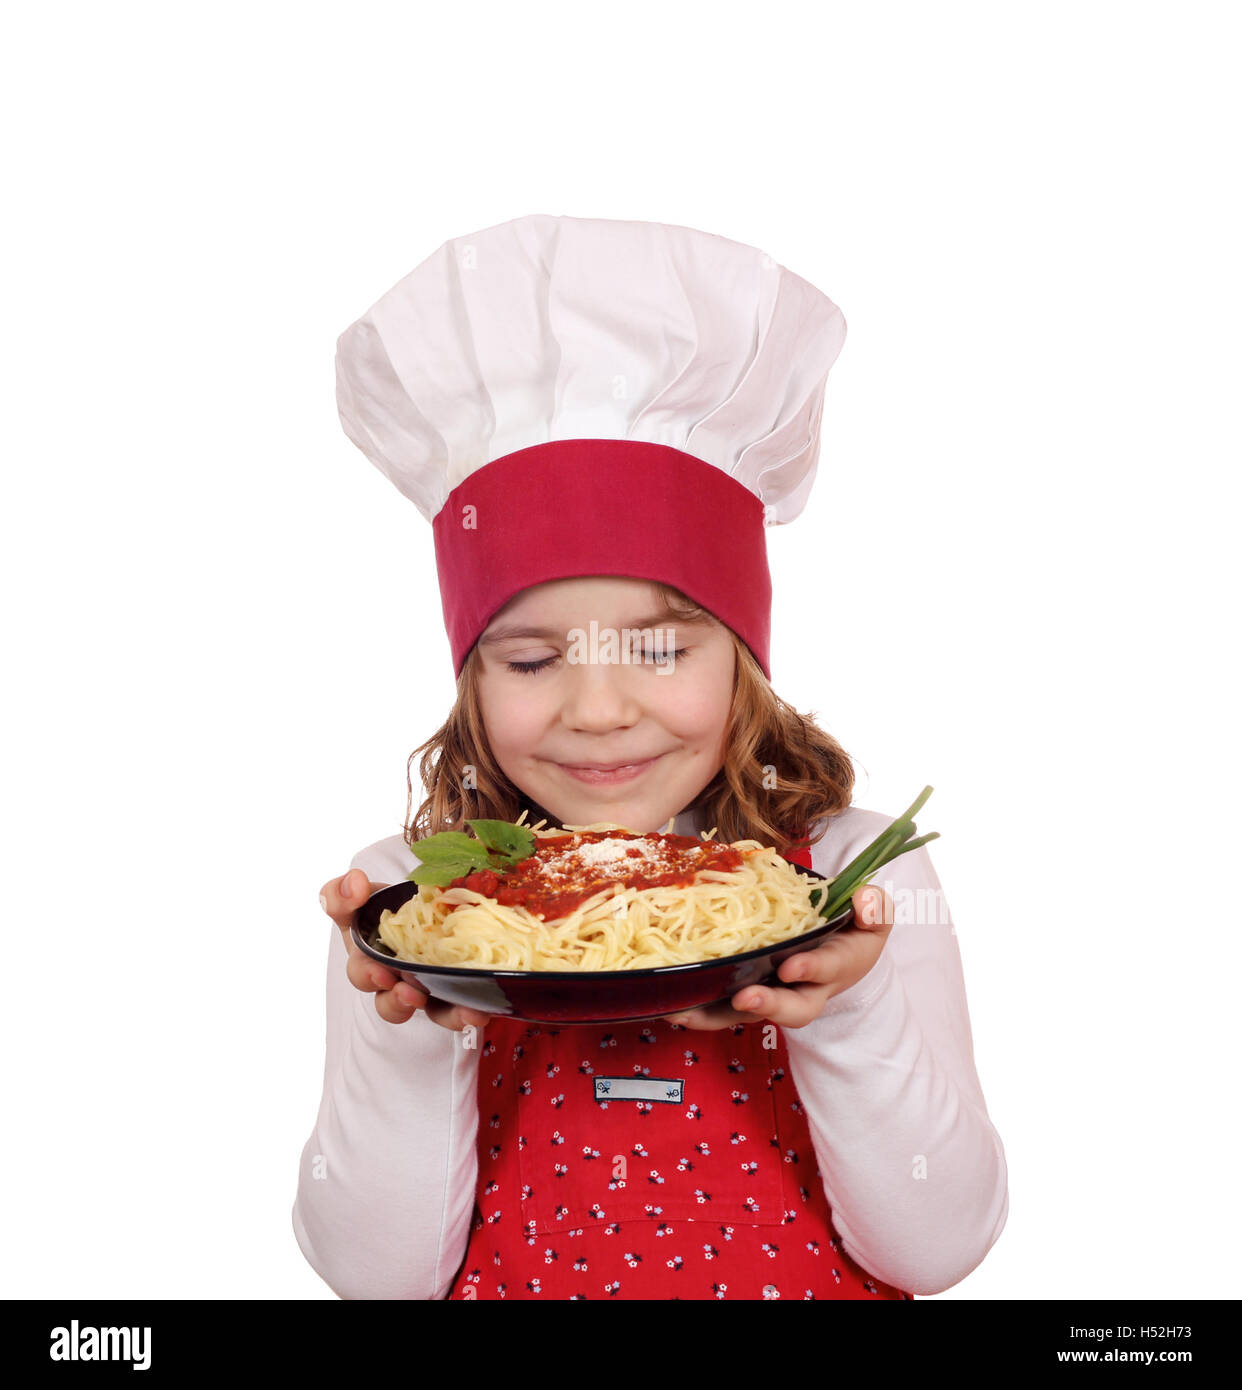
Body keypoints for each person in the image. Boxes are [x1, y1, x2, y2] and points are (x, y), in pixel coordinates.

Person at [292, 214, 1009, 1300]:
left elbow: (939, 1246)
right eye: (531, 660)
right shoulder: (422, 893)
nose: (599, 707)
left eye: (661, 648)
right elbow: (375, 1279)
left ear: (744, 658)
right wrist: (410, 1018)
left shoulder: (853, 876)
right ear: (470, 685)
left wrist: (846, 1003)